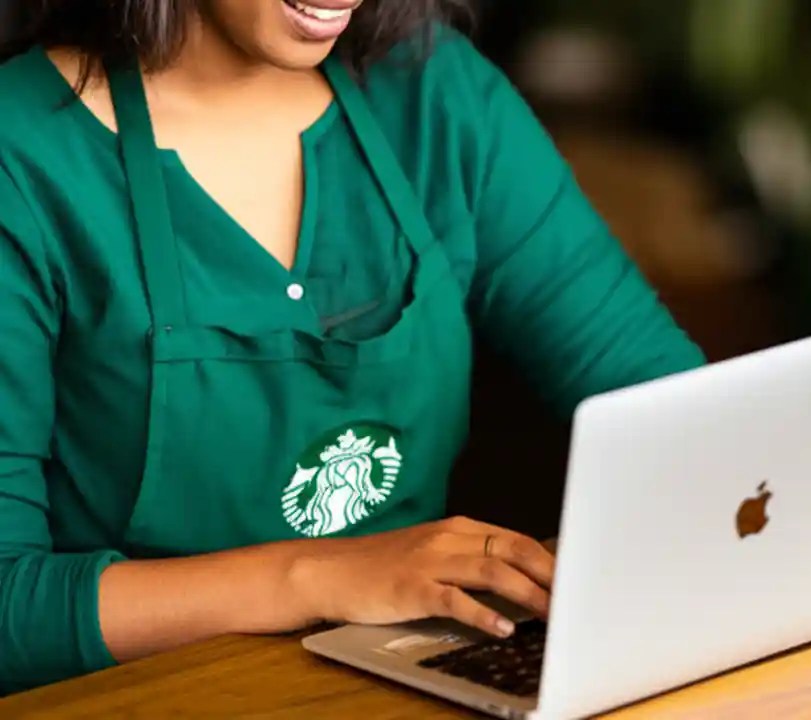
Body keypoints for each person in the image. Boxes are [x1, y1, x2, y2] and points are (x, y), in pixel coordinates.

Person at [0, 0, 705, 694]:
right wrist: (320, 575)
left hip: (412, 679)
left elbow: (676, 412)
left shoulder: (435, 95)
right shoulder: (21, 154)